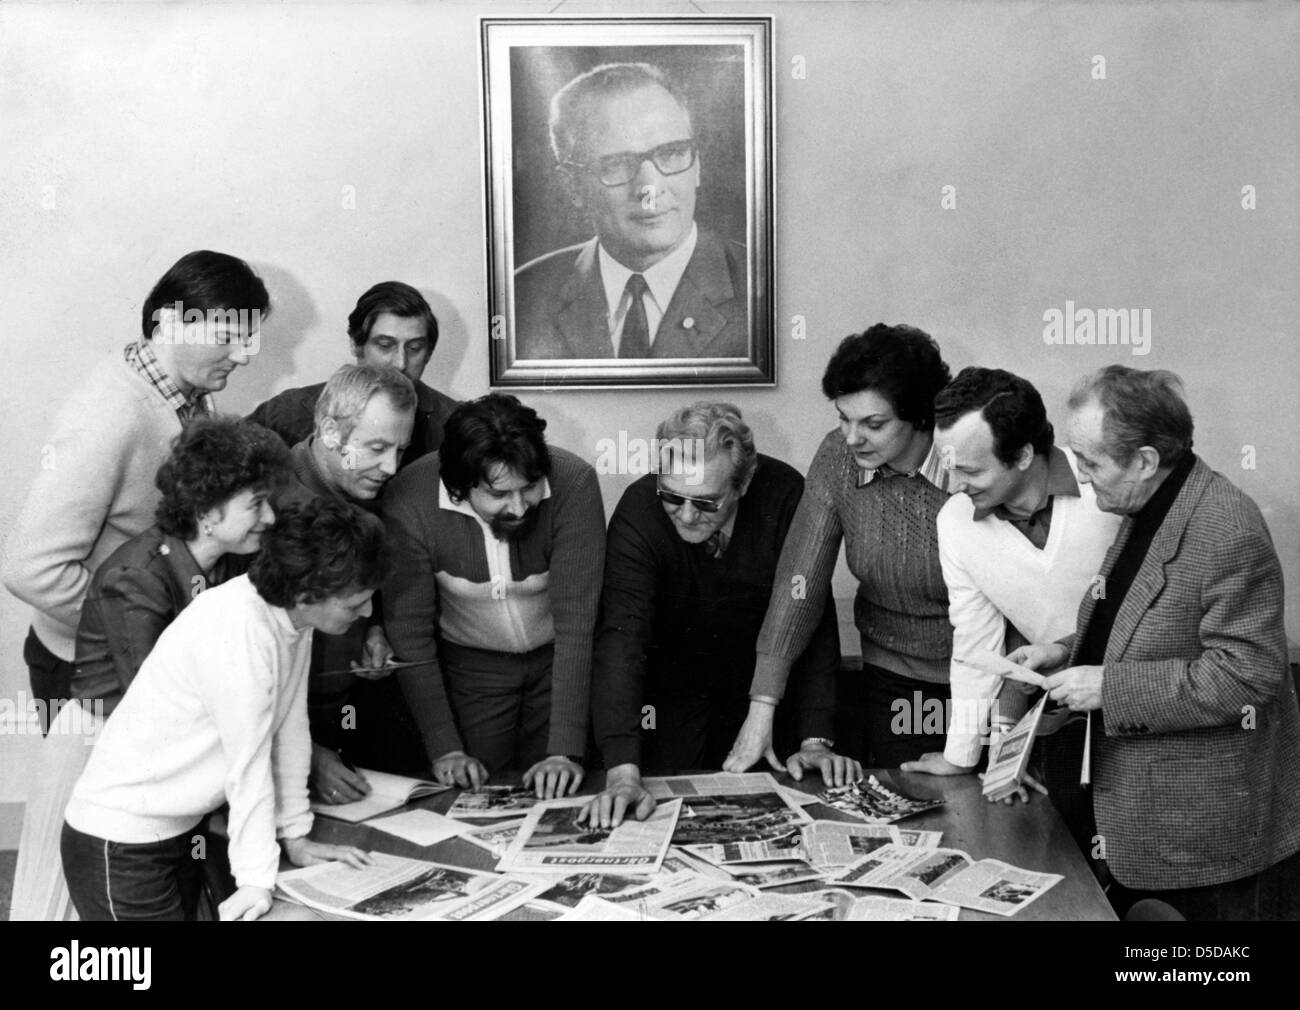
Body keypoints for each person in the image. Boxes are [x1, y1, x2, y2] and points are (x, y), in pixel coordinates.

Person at [1011, 365, 1300, 921]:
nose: (1080, 476)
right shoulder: (1155, 499)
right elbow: (1148, 621)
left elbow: (1249, 673)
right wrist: (1066, 651)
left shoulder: (1226, 527)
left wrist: (1107, 686)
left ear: (1145, 460)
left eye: (1091, 462)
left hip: (1207, 839)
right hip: (1146, 823)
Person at [8, 417, 290, 922]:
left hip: (177, 764)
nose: (270, 517)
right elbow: (148, 706)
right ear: (207, 512)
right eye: (256, 504)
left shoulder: (229, 563)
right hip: (102, 756)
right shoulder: (135, 576)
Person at [61, 498, 384, 921]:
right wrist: (256, 878)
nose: (367, 611)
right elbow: (247, 762)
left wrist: (296, 834)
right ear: (307, 594)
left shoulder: (293, 619)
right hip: (120, 840)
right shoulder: (238, 629)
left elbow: (289, 728)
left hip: (178, 829)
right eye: (354, 602)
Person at [3, 250, 269, 732]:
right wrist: (130, 620)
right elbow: (29, 569)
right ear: (169, 322)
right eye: (228, 338)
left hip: (146, 653)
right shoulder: (109, 416)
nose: (243, 356)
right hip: (84, 669)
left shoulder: (189, 395)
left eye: (248, 340)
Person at [581, 403, 851, 829]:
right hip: (674, 688)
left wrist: (815, 737)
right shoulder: (638, 509)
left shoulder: (785, 494)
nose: (687, 516)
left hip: (770, 691)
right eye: (673, 496)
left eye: (707, 502)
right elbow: (621, 638)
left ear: (743, 483)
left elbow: (812, 617)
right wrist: (621, 770)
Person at [724, 324, 955, 772]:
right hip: (897, 675)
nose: (852, 438)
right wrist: (762, 707)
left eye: (873, 424)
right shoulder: (837, 457)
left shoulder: (963, 454)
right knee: (911, 800)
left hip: (988, 674)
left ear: (920, 416)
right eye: (843, 418)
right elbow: (800, 583)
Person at [900, 368, 1121, 799]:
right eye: (949, 466)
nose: (955, 485)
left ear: (1022, 455)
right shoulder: (956, 522)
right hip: (1061, 720)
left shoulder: (1109, 488)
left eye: (970, 470)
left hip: (1148, 706)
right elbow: (975, 645)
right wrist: (960, 755)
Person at [382, 393, 606, 797]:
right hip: (470, 668)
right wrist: (445, 749)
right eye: (500, 495)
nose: (520, 508)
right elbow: (410, 634)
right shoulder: (408, 498)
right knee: (476, 790)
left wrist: (565, 751)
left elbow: (577, 624)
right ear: (458, 487)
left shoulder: (575, 481)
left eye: (531, 488)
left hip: (561, 661)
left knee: (561, 789)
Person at [514, 62, 748, 360]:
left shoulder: (760, 289)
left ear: (697, 165)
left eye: (671, 153)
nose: (650, 190)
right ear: (572, 185)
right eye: (617, 164)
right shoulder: (522, 297)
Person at [274, 363, 425, 805]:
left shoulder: (362, 495)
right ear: (329, 431)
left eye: (400, 449)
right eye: (376, 447)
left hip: (345, 716)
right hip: (283, 735)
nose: (391, 467)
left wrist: (373, 628)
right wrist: (305, 754)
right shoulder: (265, 510)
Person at [249, 281, 458, 467]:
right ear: (356, 346)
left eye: (414, 348)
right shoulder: (287, 412)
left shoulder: (455, 424)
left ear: (429, 353)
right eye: (385, 345)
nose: (400, 363)